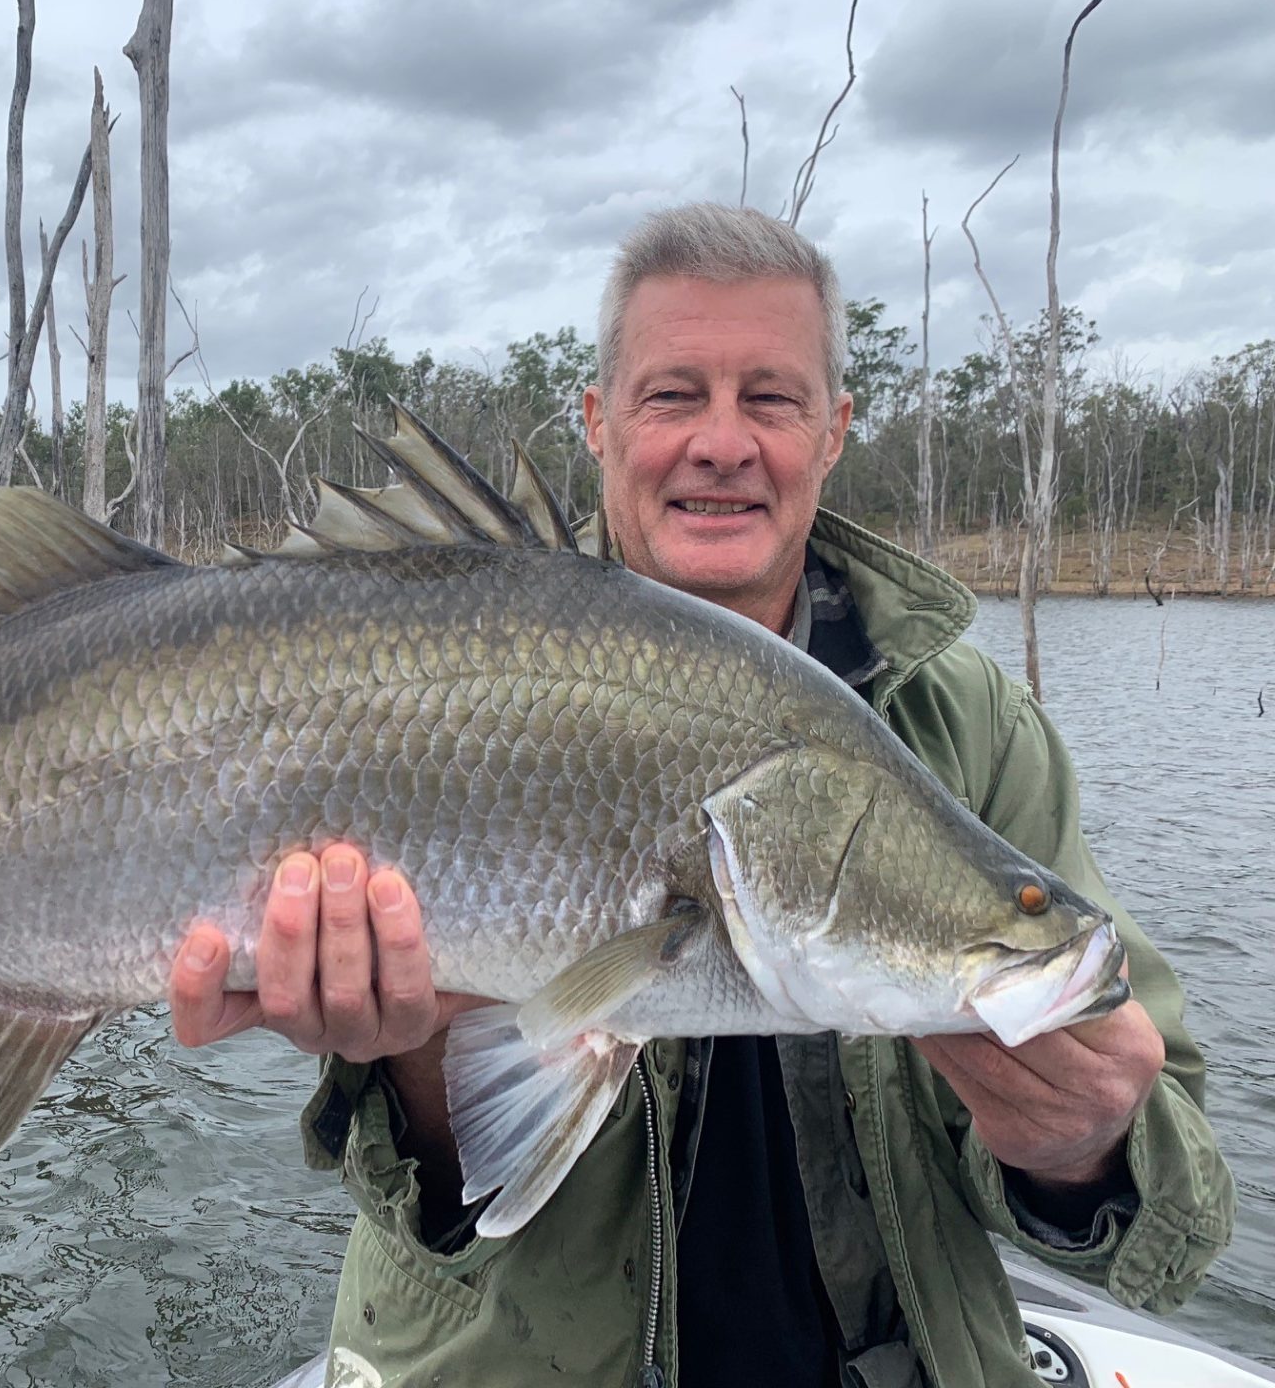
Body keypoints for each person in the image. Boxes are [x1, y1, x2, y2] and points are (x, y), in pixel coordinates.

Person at [167, 204, 1235, 1386]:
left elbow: (1177, 1216)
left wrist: (1082, 1151)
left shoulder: (969, 727)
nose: (722, 443)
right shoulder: (454, 638)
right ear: (597, 422)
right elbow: (440, 1189)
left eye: (770, 399)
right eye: (674, 395)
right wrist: (415, 1056)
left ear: (833, 431)